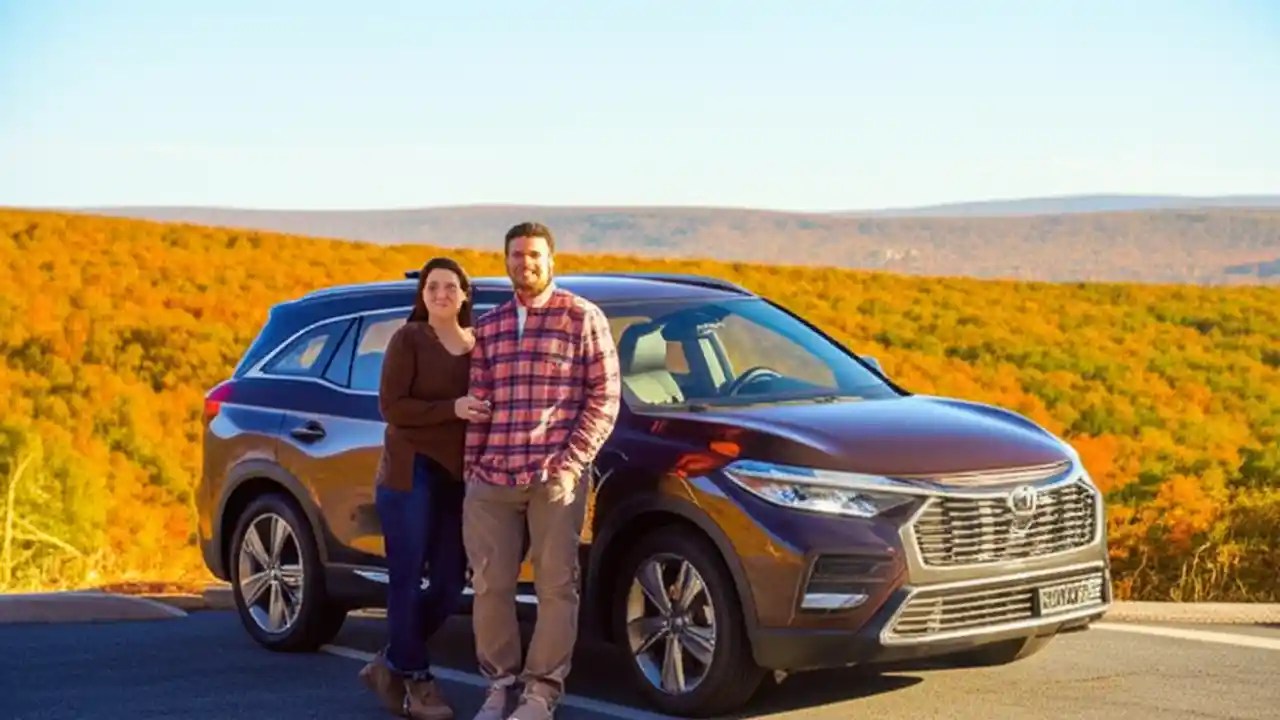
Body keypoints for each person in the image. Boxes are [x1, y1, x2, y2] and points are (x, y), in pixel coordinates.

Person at [462, 222, 622, 720]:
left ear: (551, 260)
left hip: (555, 479)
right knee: (490, 586)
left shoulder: (581, 318)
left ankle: (541, 692)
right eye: (515, 255)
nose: (524, 263)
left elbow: (605, 396)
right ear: (505, 260)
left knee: (556, 586)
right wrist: (472, 469)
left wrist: (571, 462)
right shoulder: (489, 327)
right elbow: (480, 404)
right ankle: (499, 685)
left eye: (533, 255)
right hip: (493, 478)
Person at [360, 257, 492, 720]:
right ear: (423, 295)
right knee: (406, 575)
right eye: (432, 286)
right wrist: (453, 408)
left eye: (449, 286)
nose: (440, 293)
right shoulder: (409, 339)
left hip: (459, 478)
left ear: (464, 294)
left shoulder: (482, 345)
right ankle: (417, 680)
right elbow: (392, 407)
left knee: (452, 582)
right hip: (409, 472)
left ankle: (391, 661)